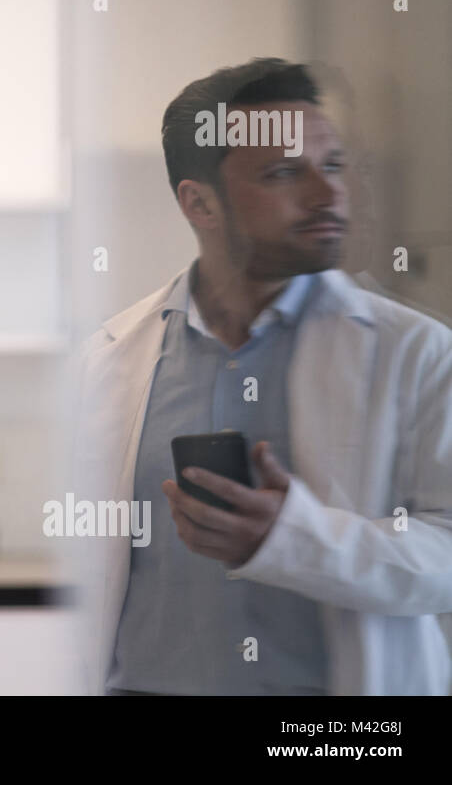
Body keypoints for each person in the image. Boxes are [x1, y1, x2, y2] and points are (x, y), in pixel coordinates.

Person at [70, 58, 452, 695]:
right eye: (284, 173)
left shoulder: (416, 353)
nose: (328, 194)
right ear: (200, 203)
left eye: (331, 166)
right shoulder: (107, 360)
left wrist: (294, 538)